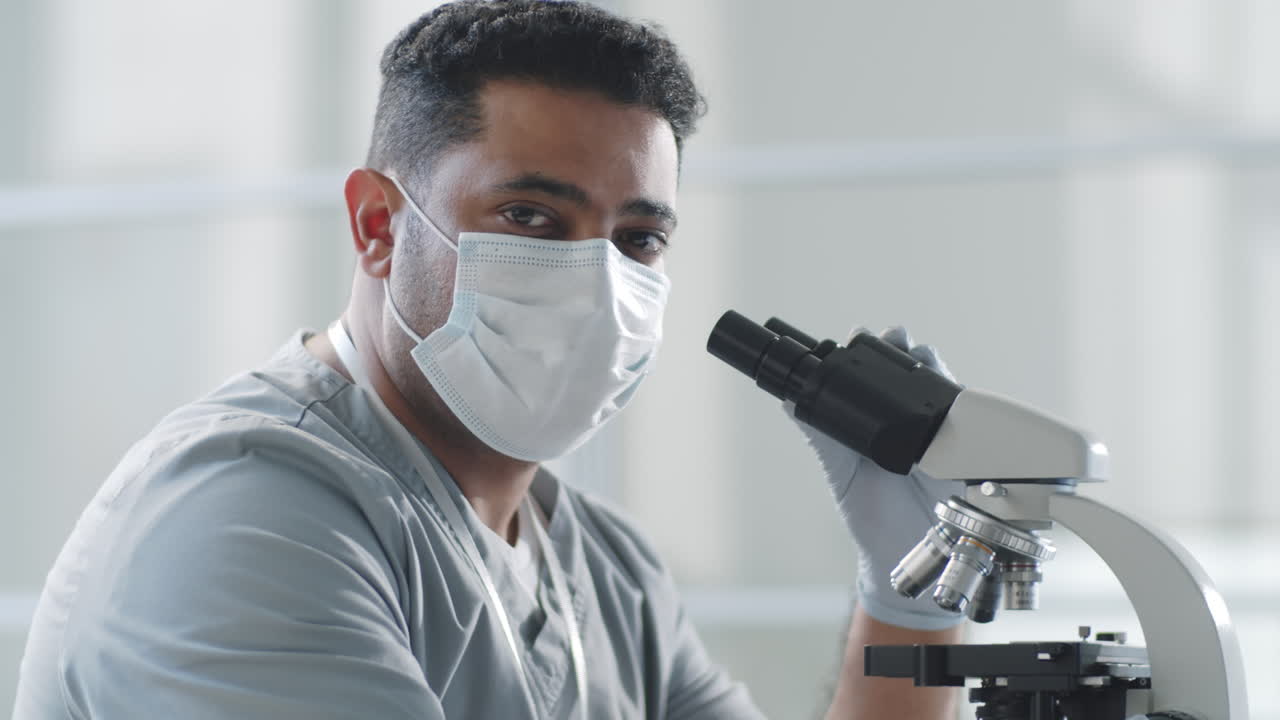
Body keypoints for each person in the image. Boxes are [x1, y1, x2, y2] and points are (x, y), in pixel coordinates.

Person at [13, 1, 964, 718]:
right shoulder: (245, 518)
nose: (595, 279)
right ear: (380, 226)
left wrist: (909, 595)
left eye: (637, 239)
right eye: (530, 218)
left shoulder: (609, 571)